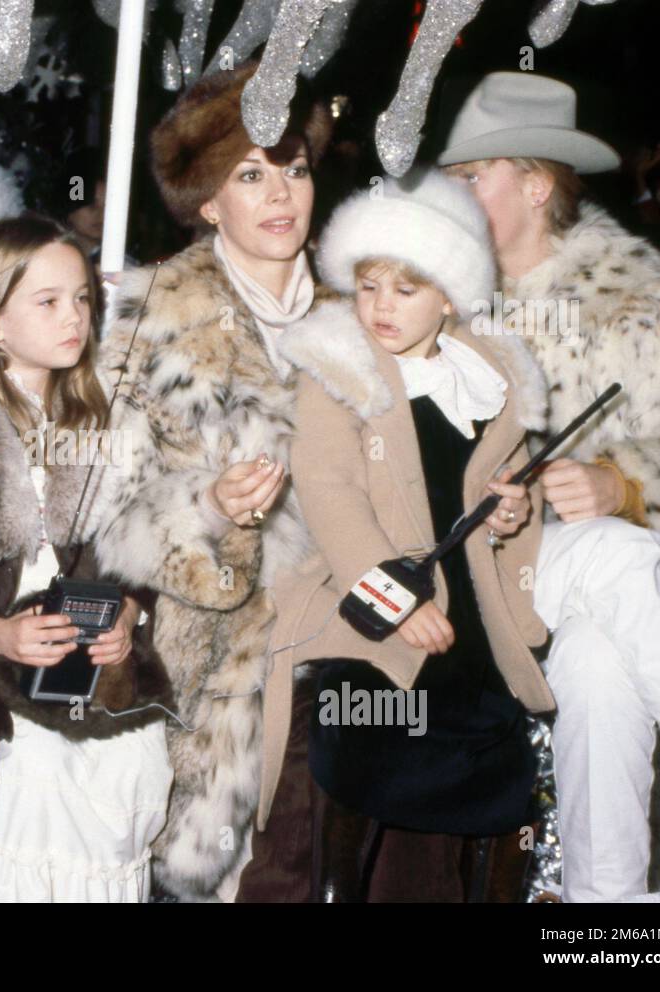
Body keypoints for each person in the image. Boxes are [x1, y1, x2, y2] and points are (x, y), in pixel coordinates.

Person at [437, 71, 660, 901]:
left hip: (598, 602)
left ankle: (605, 922)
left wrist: (620, 482)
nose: (454, 198)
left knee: (600, 661)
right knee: (599, 613)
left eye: (473, 179)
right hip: (472, 596)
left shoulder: (638, 306)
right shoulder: (433, 300)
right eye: (451, 182)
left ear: (534, 184)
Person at [253, 170, 555, 901]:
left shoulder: (493, 375)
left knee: (504, 759)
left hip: (475, 620)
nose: (381, 308)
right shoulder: (336, 364)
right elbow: (329, 491)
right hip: (369, 613)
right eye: (367, 286)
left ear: (450, 293)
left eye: (406, 288)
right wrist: (392, 596)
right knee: (361, 732)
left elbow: (515, 492)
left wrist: (512, 513)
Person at [92, 61, 333, 901]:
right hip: (207, 644)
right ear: (207, 202)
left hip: (344, 640)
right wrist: (209, 506)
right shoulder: (152, 317)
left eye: (294, 169)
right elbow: (109, 515)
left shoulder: (359, 315)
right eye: (251, 175)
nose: (281, 194)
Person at [0, 215, 174, 901]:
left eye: (81, 298)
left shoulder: (104, 423)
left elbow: (138, 553)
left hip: (88, 658)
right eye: (47, 302)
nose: (73, 317)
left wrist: (128, 612)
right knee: (40, 773)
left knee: (135, 760)